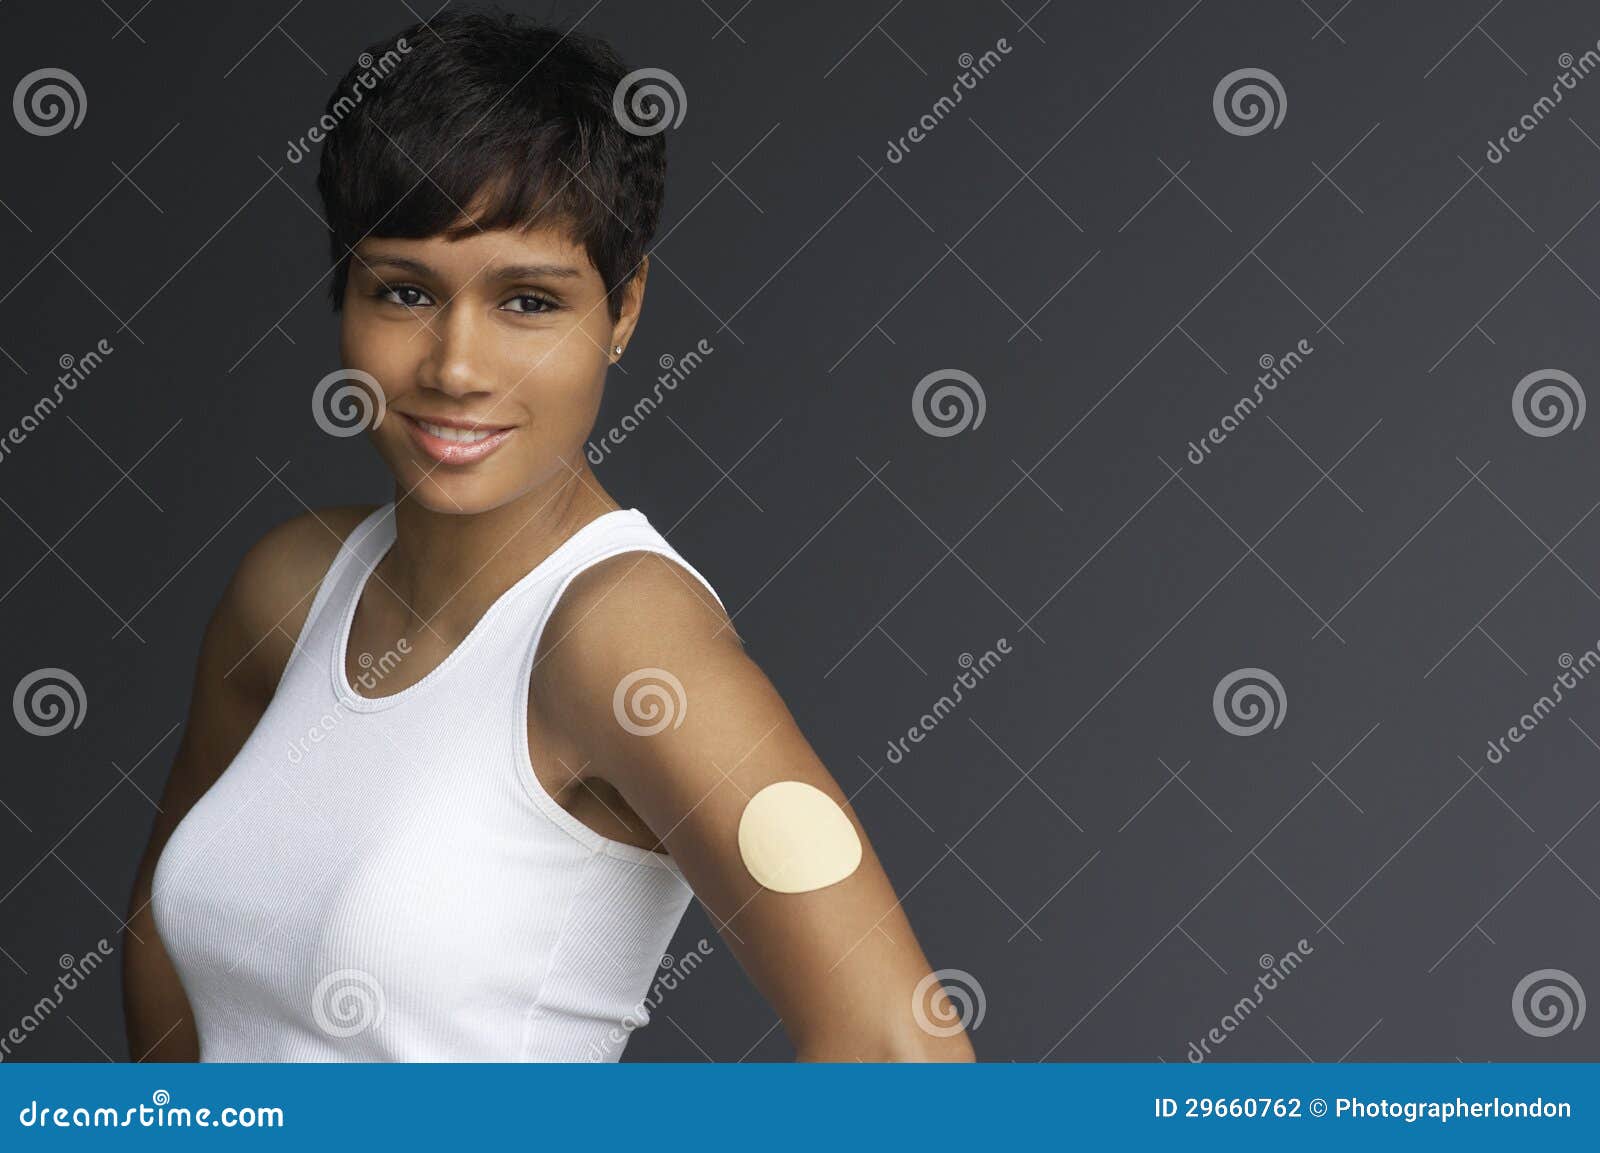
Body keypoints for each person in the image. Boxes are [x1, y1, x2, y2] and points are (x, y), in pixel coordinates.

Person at [120, 8, 974, 1063]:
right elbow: (164, 941)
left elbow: (901, 1051)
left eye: (528, 302)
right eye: (403, 291)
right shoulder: (290, 588)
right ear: (343, 290)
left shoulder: (624, 640)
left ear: (623, 309)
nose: (456, 366)